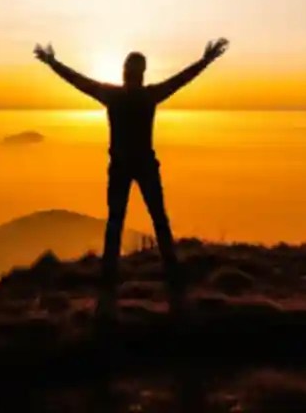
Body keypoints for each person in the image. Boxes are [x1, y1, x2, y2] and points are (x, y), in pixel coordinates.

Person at [33, 37, 229, 316]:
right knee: (157, 220)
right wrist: (205, 61)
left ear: (126, 72)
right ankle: (171, 274)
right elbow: (180, 80)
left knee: (118, 223)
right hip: (144, 165)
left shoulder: (114, 96)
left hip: (122, 167)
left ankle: (110, 279)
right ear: (140, 73)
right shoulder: (148, 96)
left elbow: (79, 81)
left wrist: (53, 63)